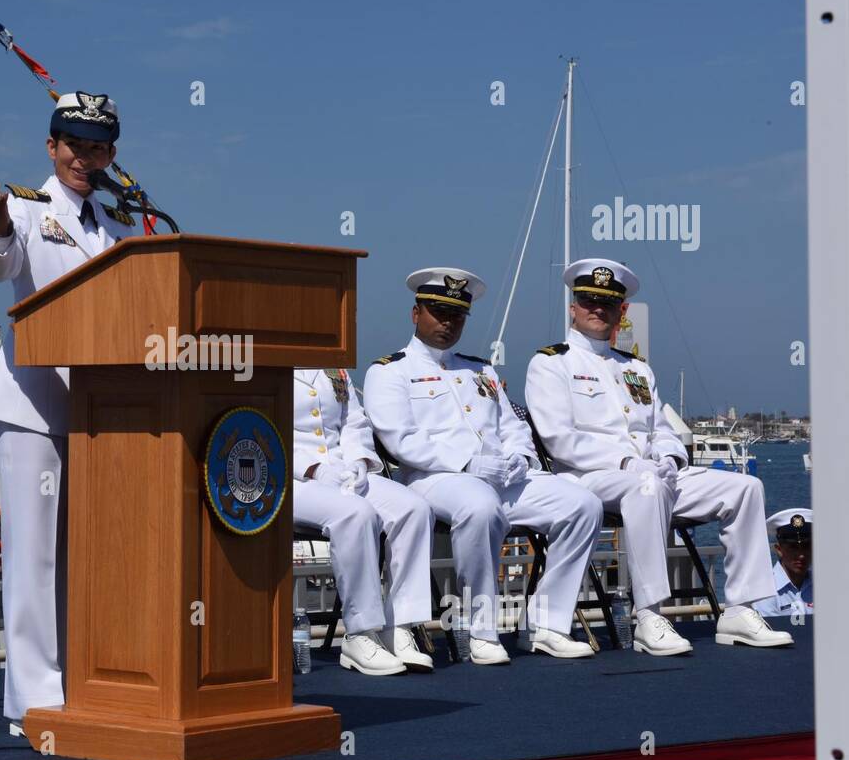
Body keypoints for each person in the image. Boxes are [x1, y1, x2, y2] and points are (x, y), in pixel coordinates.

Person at [0, 92, 140, 734]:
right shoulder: (26, 211)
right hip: (32, 400)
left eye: (97, 148)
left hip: (102, 409)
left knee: (89, 556)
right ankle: (35, 700)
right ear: (52, 146)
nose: (84, 159)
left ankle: (87, 678)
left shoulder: (122, 226)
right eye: (74, 145)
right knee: (35, 556)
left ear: (111, 154)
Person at [525, 258, 792, 655]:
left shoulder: (636, 369)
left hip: (651, 475)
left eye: (607, 302)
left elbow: (662, 428)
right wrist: (626, 463)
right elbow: (559, 439)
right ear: (573, 306)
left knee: (745, 487)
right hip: (588, 478)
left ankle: (741, 609)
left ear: (622, 310)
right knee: (646, 485)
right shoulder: (550, 363)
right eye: (589, 300)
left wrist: (670, 457)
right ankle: (649, 615)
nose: (598, 308)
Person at [364, 267, 603, 664]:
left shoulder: (481, 370)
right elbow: (401, 440)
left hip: (500, 478)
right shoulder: (390, 371)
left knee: (583, 505)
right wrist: (470, 464)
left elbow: (512, 425)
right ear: (415, 314)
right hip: (434, 479)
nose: (448, 322)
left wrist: (519, 458)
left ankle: (546, 624)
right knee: (478, 504)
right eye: (439, 311)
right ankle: (482, 629)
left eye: (457, 314)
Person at [292, 368, 436, 675]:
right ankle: (360, 633)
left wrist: (358, 460)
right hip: (292, 478)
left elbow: (353, 421)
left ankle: (398, 625)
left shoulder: (332, 367)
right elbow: (261, 425)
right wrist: (313, 468)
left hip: (343, 470)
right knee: (356, 514)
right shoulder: (267, 361)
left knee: (414, 509)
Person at [755, 509, 812, 620]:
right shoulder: (765, 590)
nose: (801, 555)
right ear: (779, 549)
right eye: (793, 548)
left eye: (806, 547)